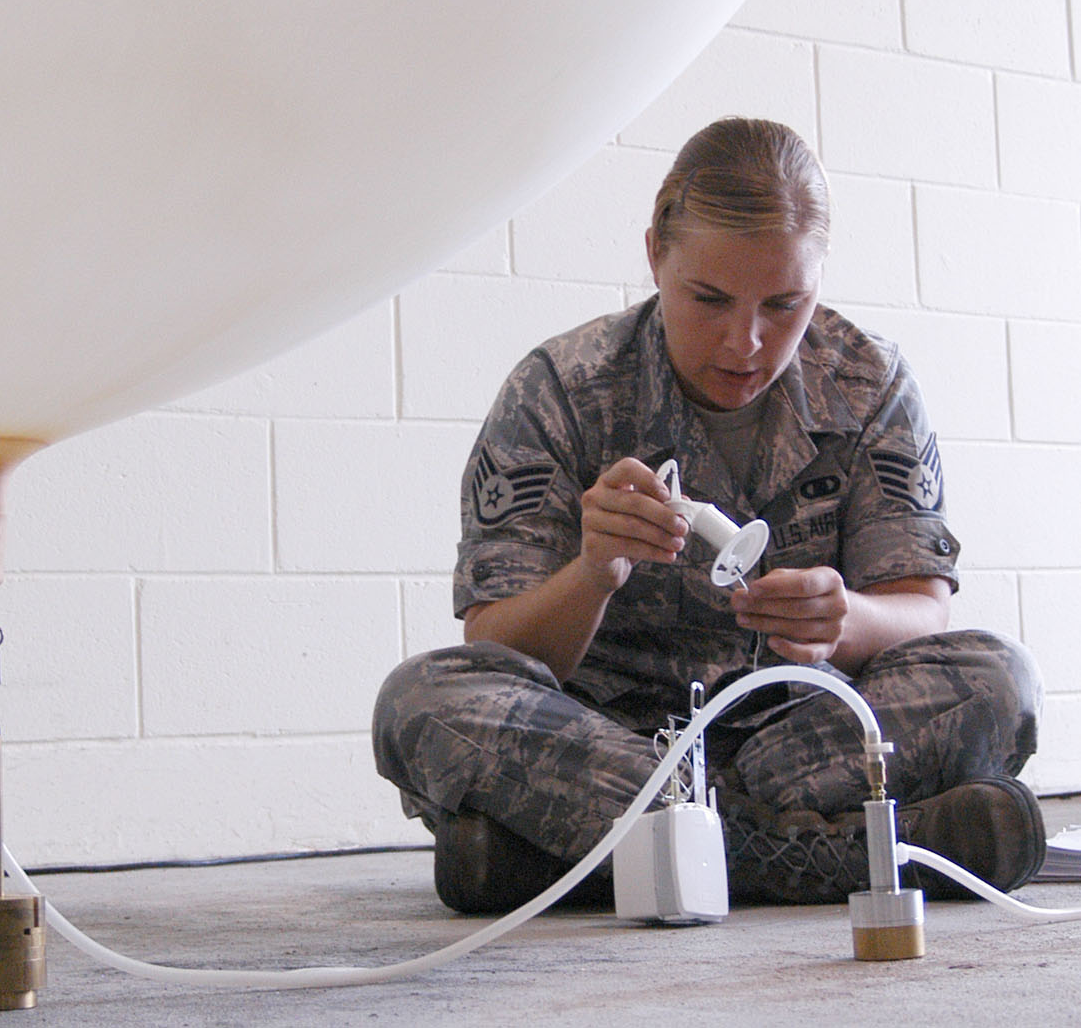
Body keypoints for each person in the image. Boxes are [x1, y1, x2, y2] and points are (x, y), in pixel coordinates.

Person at [373, 118, 1044, 911]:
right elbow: (496, 644)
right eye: (710, 299)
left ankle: (583, 858)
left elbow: (923, 611)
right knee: (422, 701)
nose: (746, 342)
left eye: (784, 304)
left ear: (818, 279)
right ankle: (844, 852)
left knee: (999, 680)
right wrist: (592, 575)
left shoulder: (868, 384)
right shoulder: (561, 389)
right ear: (655, 255)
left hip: (799, 739)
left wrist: (846, 620)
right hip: (606, 745)